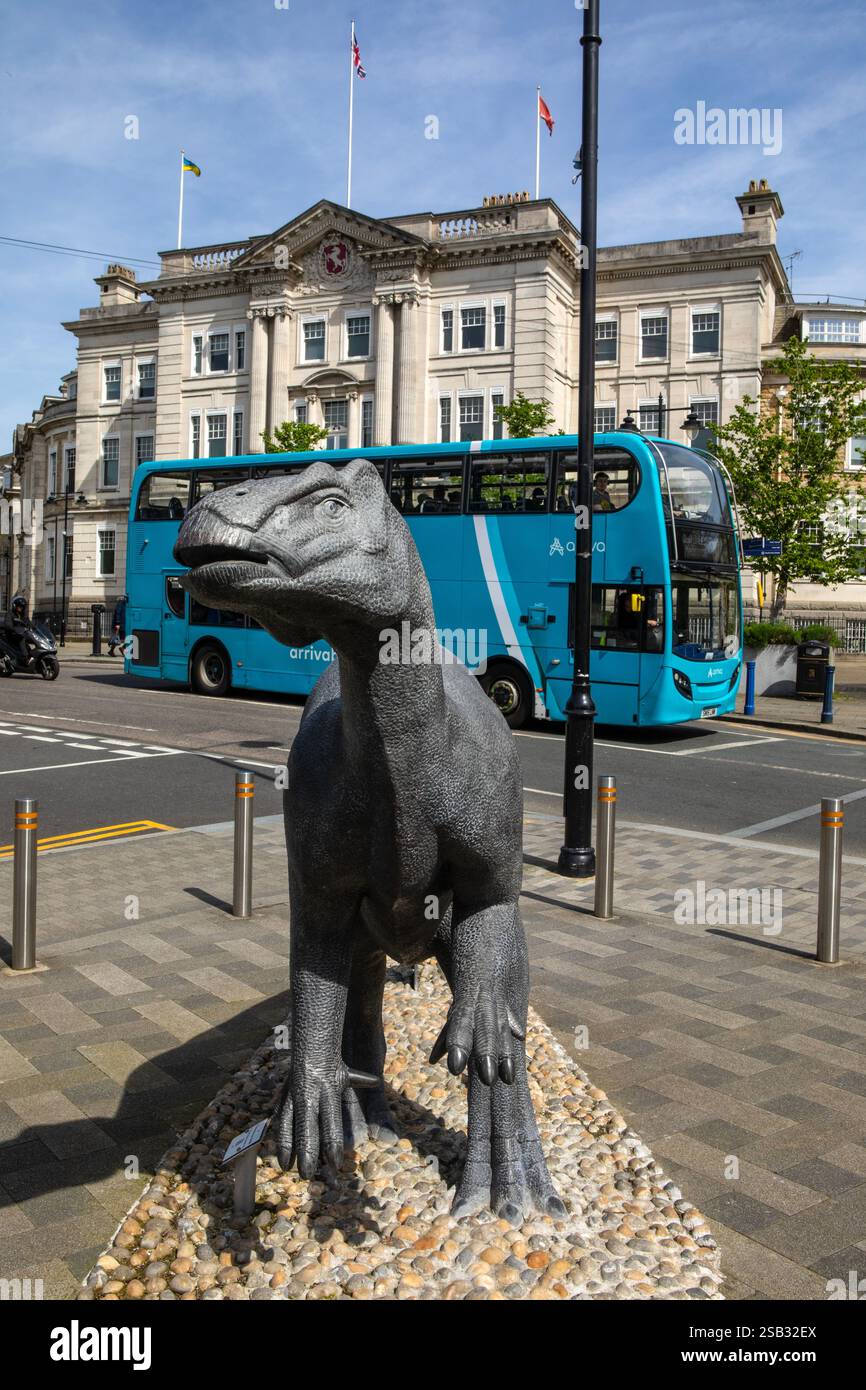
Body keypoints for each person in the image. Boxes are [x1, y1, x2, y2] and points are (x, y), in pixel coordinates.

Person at [2, 593, 31, 664]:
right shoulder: (10, 614)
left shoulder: (23, 615)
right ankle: (25, 657)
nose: (21, 608)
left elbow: (28, 623)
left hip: (20, 634)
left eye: (22, 607)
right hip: (11, 635)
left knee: (30, 641)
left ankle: (30, 656)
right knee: (21, 639)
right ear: (15, 606)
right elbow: (8, 625)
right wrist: (14, 629)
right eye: (19, 606)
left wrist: (34, 627)